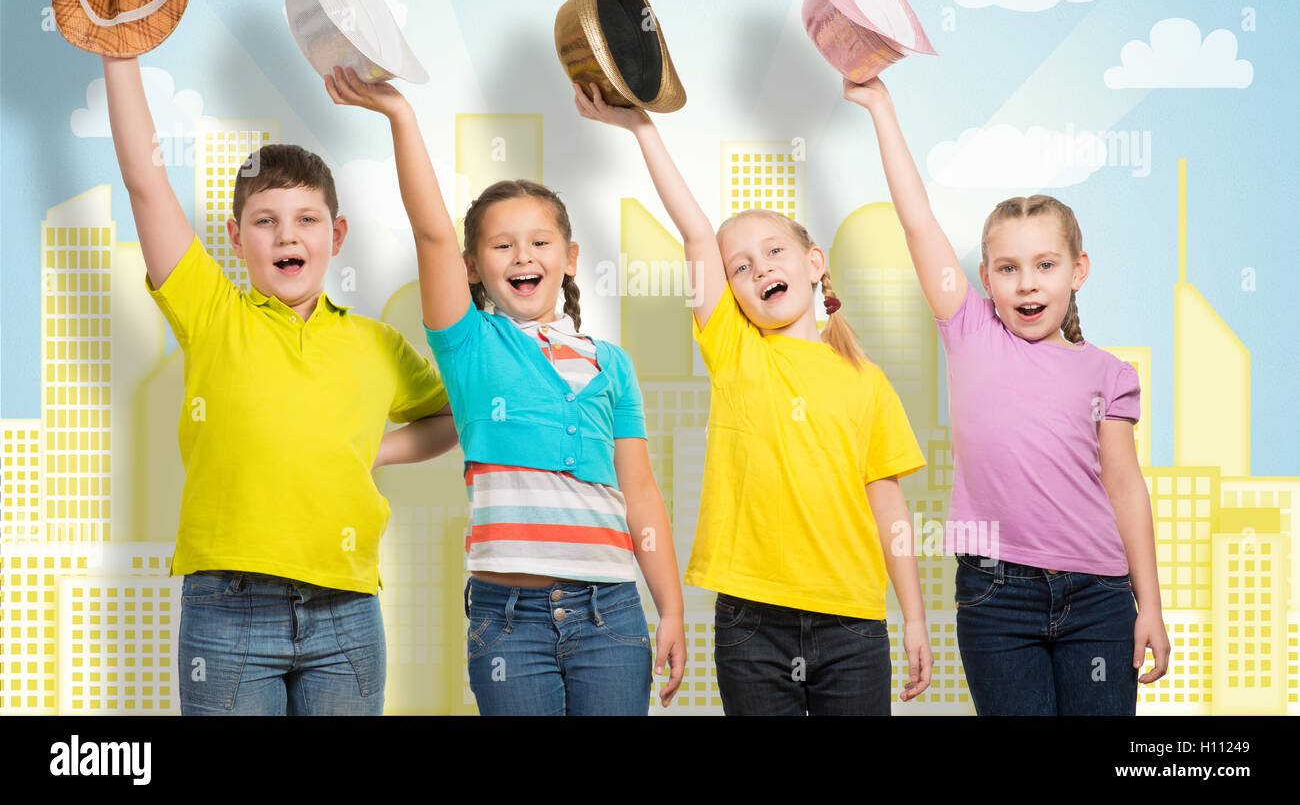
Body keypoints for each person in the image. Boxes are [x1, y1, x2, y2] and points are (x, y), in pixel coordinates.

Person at [102, 54, 457, 715]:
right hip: (229, 612)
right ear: (236, 238)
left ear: (337, 234)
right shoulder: (212, 313)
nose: (286, 234)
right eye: (266, 221)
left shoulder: (377, 345)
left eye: (306, 219)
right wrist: (121, 54)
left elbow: (455, 414)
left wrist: (375, 449)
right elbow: (145, 183)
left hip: (347, 613)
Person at [325, 66, 686, 715]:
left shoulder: (613, 364)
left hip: (612, 614)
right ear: (473, 267)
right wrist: (401, 116)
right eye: (502, 245)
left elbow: (642, 494)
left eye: (540, 242)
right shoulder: (472, 346)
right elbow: (433, 231)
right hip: (507, 623)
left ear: (569, 257)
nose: (523, 256)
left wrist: (672, 609)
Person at [575, 82, 932, 715]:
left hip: (852, 624)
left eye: (774, 251)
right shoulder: (736, 351)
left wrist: (915, 617)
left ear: (814, 262)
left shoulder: (866, 379)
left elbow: (889, 506)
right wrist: (642, 129)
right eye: (739, 266)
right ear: (731, 293)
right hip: (751, 623)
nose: (759, 268)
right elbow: (693, 233)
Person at [846, 74, 1171, 714]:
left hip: (1101, 598)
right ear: (985, 279)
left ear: (1077, 271)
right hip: (997, 597)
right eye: (1008, 268)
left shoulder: (1109, 374)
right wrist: (882, 106)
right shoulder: (970, 332)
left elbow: (1126, 486)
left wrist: (1150, 605)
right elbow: (916, 223)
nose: (1027, 284)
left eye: (1046, 265)